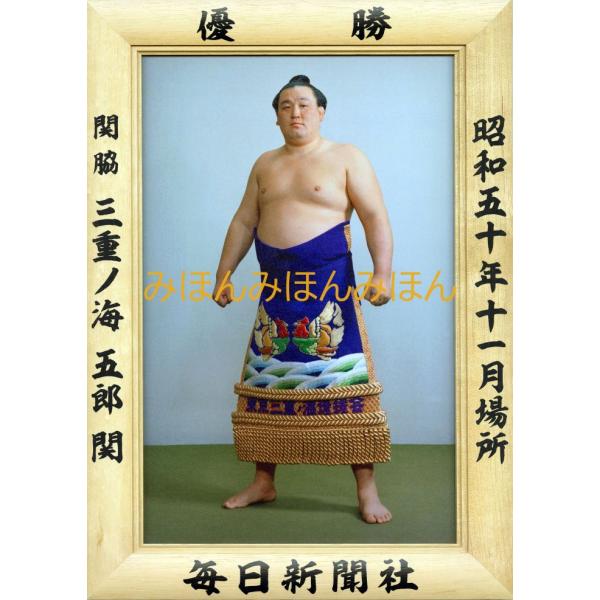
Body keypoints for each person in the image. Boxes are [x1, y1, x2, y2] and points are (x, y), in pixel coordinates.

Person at [212, 75, 394, 524]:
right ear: (276, 117)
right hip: (276, 290)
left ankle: (367, 489)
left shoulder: (346, 157)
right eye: (286, 106)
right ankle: (264, 481)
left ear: (321, 112)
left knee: (345, 382)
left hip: (330, 288)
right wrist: (223, 274)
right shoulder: (264, 164)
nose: (296, 112)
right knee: (266, 380)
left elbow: (374, 216)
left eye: (304, 105)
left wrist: (382, 274)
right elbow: (243, 222)